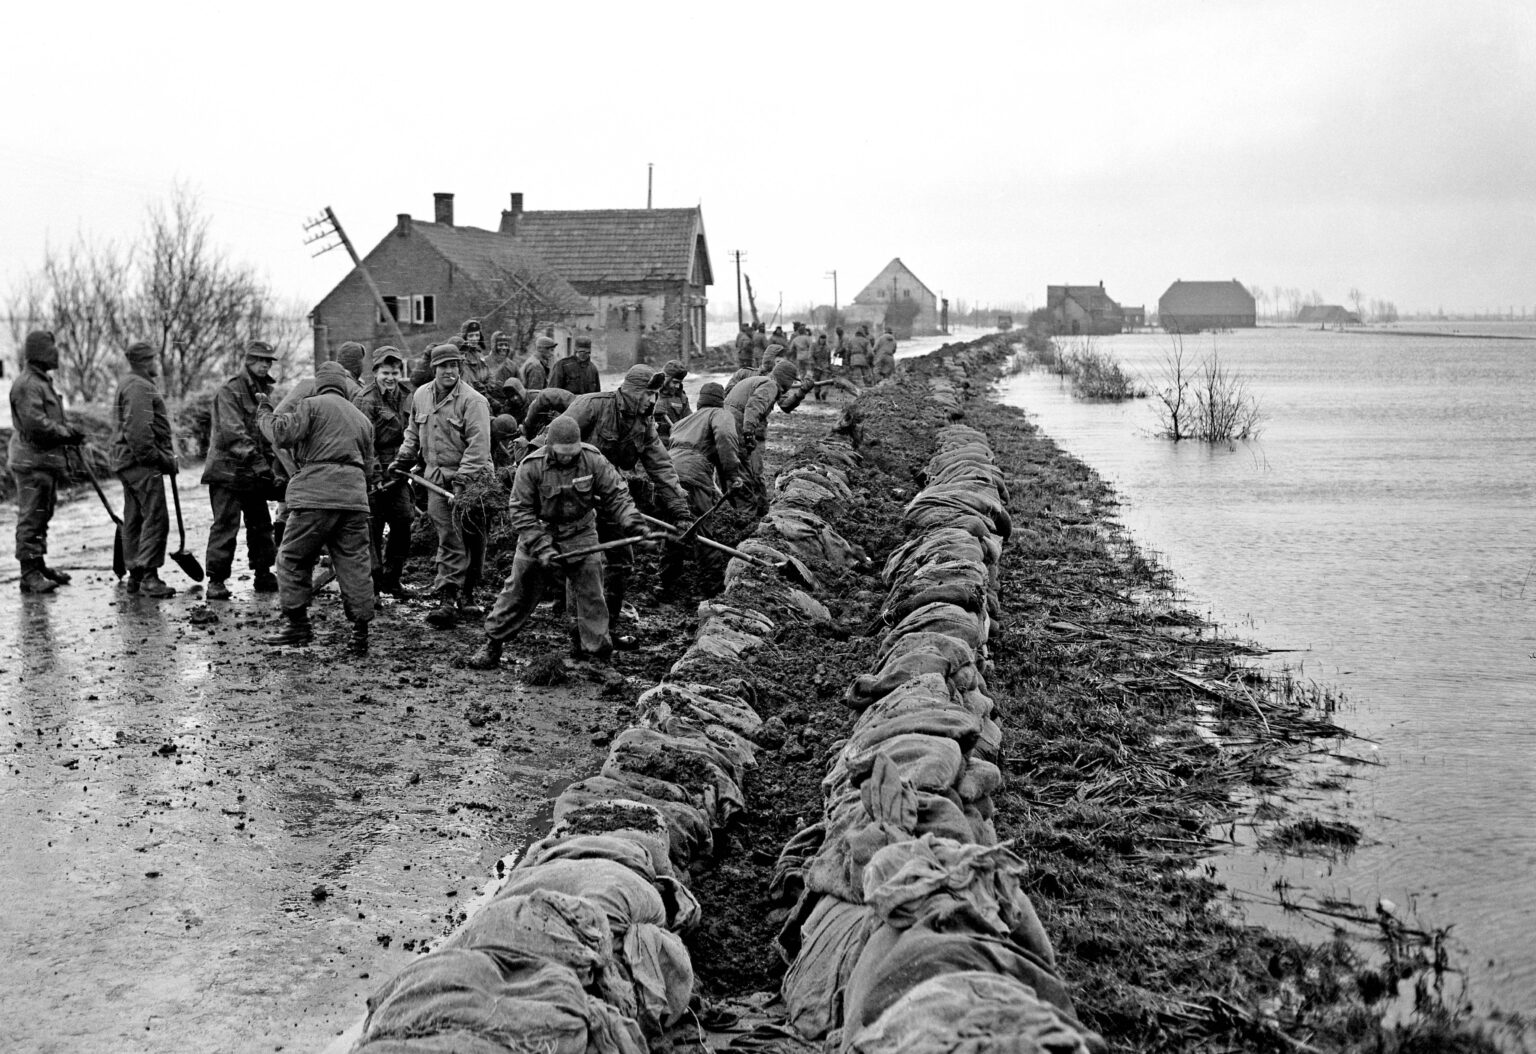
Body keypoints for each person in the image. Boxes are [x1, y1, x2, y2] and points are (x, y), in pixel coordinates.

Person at [467, 415, 651, 669]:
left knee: (591, 591)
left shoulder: (592, 459)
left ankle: (595, 653)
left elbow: (617, 494)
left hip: (581, 532)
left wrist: (632, 520)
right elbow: (520, 511)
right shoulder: (531, 466)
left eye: (572, 453)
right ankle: (493, 643)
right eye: (562, 454)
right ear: (550, 446)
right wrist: (541, 546)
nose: (568, 458)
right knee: (519, 589)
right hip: (539, 532)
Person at [563, 364, 693, 643]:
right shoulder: (591, 406)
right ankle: (579, 630)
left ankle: (607, 625)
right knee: (584, 562)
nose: (653, 401)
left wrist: (680, 510)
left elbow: (660, 466)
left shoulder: (644, 424)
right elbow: (550, 443)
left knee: (622, 561)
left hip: (611, 496)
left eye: (656, 395)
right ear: (633, 391)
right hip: (576, 497)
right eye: (649, 394)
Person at [256, 362, 377, 654]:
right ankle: (360, 634)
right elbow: (371, 468)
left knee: (292, 557)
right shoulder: (362, 419)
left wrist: (264, 413)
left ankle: (298, 625)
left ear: (319, 385)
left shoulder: (311, 405)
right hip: (354, 498)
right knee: (354, 563)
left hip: (315, 496)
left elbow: (282, 434)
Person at [389, 342, 491, 628]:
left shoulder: (473, 401)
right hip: (436, 479)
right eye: (444, 366)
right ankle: (447, 598)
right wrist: (403, 459)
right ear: (434, 368)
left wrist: (462, 482)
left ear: (460, 367)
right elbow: (413, 432)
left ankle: (468, 594)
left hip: (474, 481)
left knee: (475, 538)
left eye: (454, 365)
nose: (449, 371)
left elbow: (479, 447)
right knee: (449, 535)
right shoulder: (421, 395)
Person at [202, 340, 281, 600]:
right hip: (227, 472)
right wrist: (261, 464)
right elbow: (232, 434)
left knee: (261, 524)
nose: (265, 365)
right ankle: (216, 580)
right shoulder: (231, 391)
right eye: (260, 360)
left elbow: (267, 431)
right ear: (248, 361)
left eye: (268, 361)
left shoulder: (265, 392)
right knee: (225, 526)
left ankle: (263, 573)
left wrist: (273, 464)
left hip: (252, 471)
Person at [8, 330, 84, 594]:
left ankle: (37, 565)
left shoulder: (41, 382)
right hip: (32, 463)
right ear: (40, 352)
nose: (57, 352)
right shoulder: (29, 384)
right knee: (31, 516)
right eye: (52, 347)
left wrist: (69, 430)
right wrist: (65, 433)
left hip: (42, 461)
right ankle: (28, 573)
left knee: (43, 513)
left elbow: (47, 419)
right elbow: (35, 425)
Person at [272, 341, 365, 555]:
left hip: (291, 455)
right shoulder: (354, 389)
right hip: (320, 464)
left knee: (289, 509)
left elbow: (275, 423)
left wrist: (288, 463)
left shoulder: (306, 383)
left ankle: (285, 557)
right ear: (358, 365)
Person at [111, 341, 178, 597]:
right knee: (155, 516)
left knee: (135, 517)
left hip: (129, 462)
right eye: (153, 359)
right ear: (146, 361)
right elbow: (138, 433)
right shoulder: (139, 386)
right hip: (141, 463)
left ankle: (135, 577)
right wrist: (160, 459)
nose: (156, 363)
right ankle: (149, 575)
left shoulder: (130, 382)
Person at [662, 381, 742, 594]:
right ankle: (713, 587)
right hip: (693, 474)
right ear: (720, 401)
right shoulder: (720, 414)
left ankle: (666, 583)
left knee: (675, 526)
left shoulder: (685, 421)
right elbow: (725, 438)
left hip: (668, 473)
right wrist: (733, 475)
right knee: (702, 529)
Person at [352, 346, 415, 597]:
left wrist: (406, 462)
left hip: (398, 471)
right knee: (373, 529)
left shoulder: (402, 394)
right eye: (385, 372)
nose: (390, 377)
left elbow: (409, 431)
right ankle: (374, 587)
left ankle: (393, 579)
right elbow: (365, 442)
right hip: (373, 473)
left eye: (395, 372)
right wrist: (375, 475)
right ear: (375, 372)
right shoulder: (365, 400)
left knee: (403, 521)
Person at [724, 359, 811, 515]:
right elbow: (754, 406)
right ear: (786, 379)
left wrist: (801, 393)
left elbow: (785, 405)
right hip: (737, 427)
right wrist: (749, 433)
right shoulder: (770, 385)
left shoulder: (765, 382)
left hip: (728, 425)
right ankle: (746, 517)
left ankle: (749, 511)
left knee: (738, 472)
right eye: (791, 381)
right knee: (743, 474)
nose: (792, 385)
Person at [653, 359, 691, 441]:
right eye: (674, 382)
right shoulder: (650, 395)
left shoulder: (682, 398)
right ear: (666, 379)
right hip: (655, 444)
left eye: (679, 383)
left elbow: (689, 423)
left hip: (676, 442)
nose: (677, 386)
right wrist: (653, 410)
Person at [811, 332, 833, 399]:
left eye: (824, 339)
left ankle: (824, 394)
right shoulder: (814, 346)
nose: (823, 340)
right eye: (821, 339)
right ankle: (817, 394)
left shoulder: (827, 347)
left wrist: (829, 366)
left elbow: (829, 358)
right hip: (817, 366)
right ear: (819, 339)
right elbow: (811, 356)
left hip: (825, 366)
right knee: (816, 381)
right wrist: (814, 364)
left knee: (825, 381)